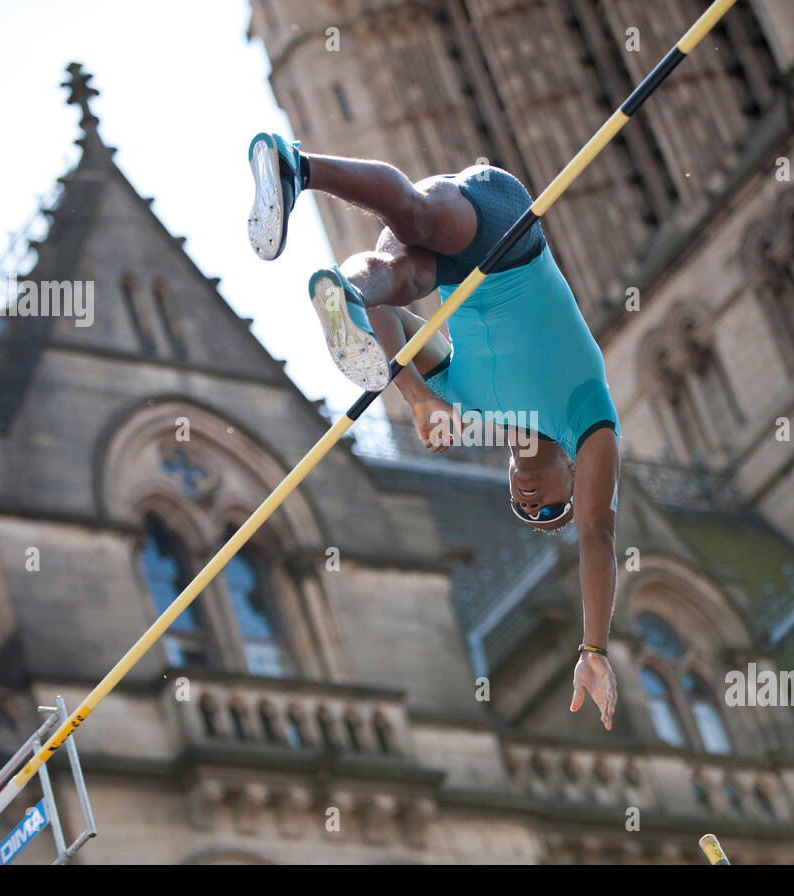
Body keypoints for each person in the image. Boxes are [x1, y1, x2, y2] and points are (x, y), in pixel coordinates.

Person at [246, 132, 619, 731]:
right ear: (571, 474)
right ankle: (299, 166)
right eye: (548, 509)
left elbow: (395, 322)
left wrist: (417, 399)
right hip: (506, 232)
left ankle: (339, 292)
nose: (529, 506)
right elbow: (598, 533)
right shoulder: (586, 415)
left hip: (443, 275)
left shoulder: (471, 406)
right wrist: (593, 649)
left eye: (522, 512)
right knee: (415, 214)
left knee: (386, 286)